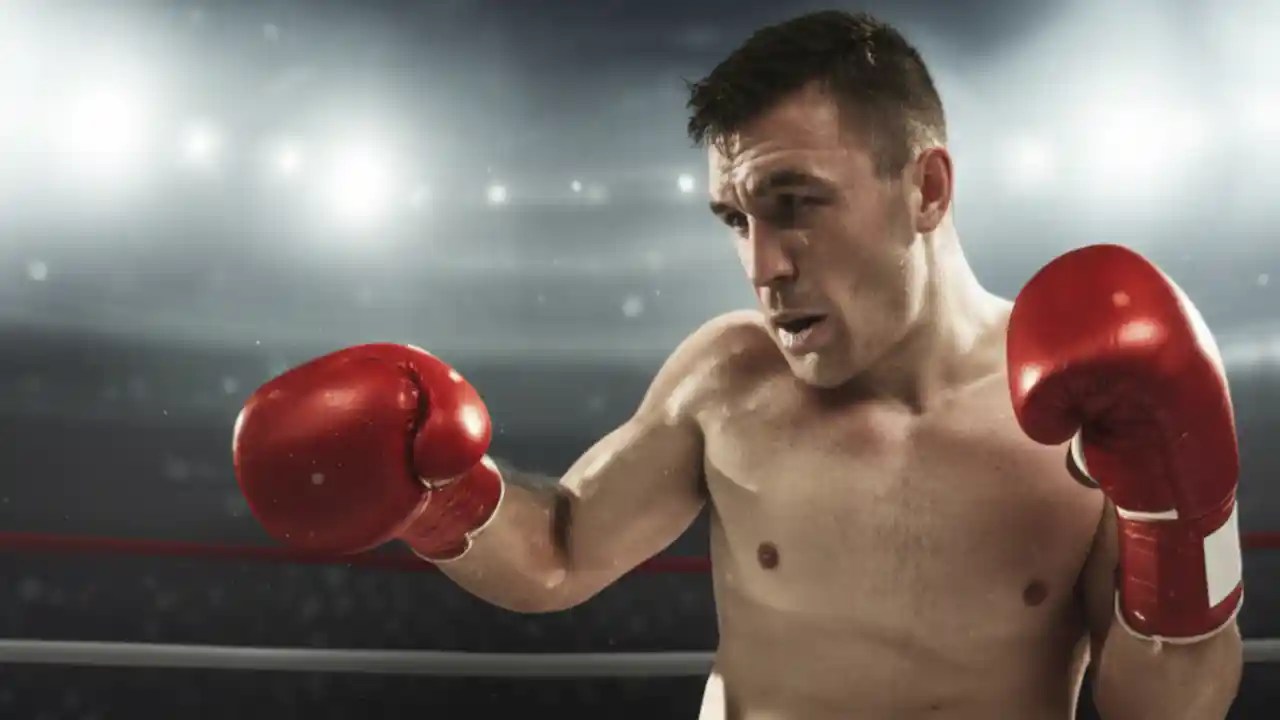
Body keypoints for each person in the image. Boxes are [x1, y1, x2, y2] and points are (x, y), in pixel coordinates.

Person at [231, 11, 1244, 719]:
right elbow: (557, 554)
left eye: (794, 202)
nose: (762, 265)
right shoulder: (725, 379)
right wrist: (439, 503)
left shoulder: (1082, 414)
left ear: (925, 188)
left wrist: (1180, 530)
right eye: (735, 219)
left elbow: (1165, 708)